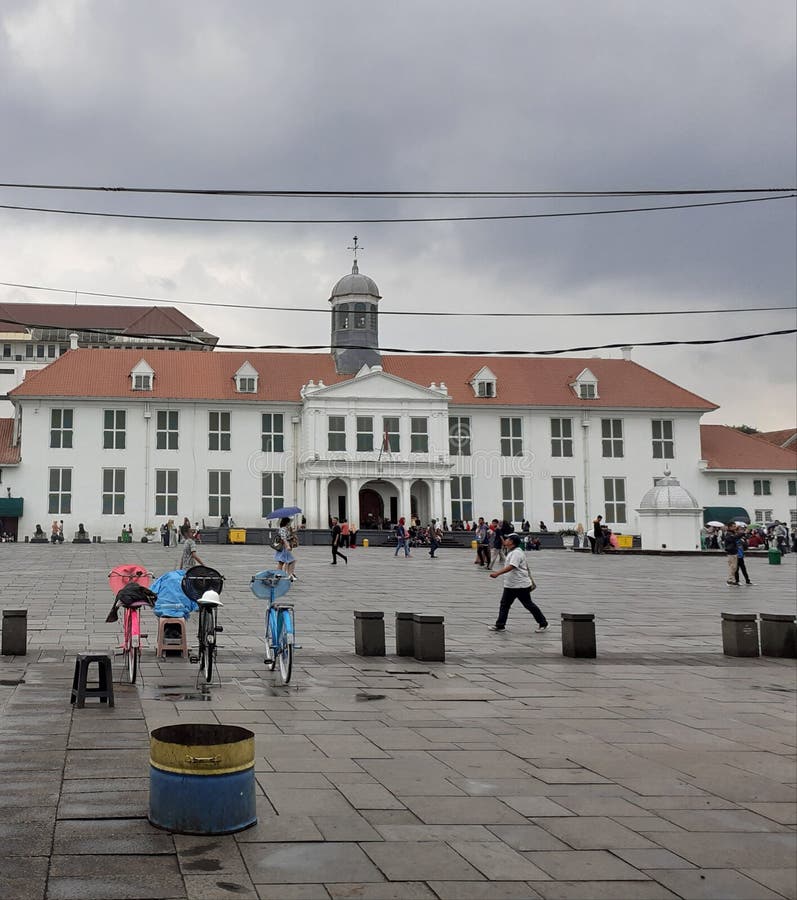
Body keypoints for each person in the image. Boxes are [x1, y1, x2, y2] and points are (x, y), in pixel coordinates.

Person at [488, 533, 548, 633]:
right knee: (505, 604)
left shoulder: (517, 553)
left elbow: (512, 566)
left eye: (507, 539)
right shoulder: (512, 551)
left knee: (528, 604)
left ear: (512, 542)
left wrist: (497, 573)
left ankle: (543, 623)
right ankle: (500, 625)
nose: (505, 540)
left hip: (520, 585)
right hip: (511, 585)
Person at [274, 516, 297, 581]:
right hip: (284, 548)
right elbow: (284, 538)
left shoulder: (285, 529)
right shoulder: (283, 529)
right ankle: (289, 575)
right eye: (289, 522)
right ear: (287, 522)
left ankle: (279, 574)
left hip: (284, 547)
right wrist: (287, 546)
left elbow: (286, 537)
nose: (290, 523)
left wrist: (293, 533)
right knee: (291, 561)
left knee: (282, 561)